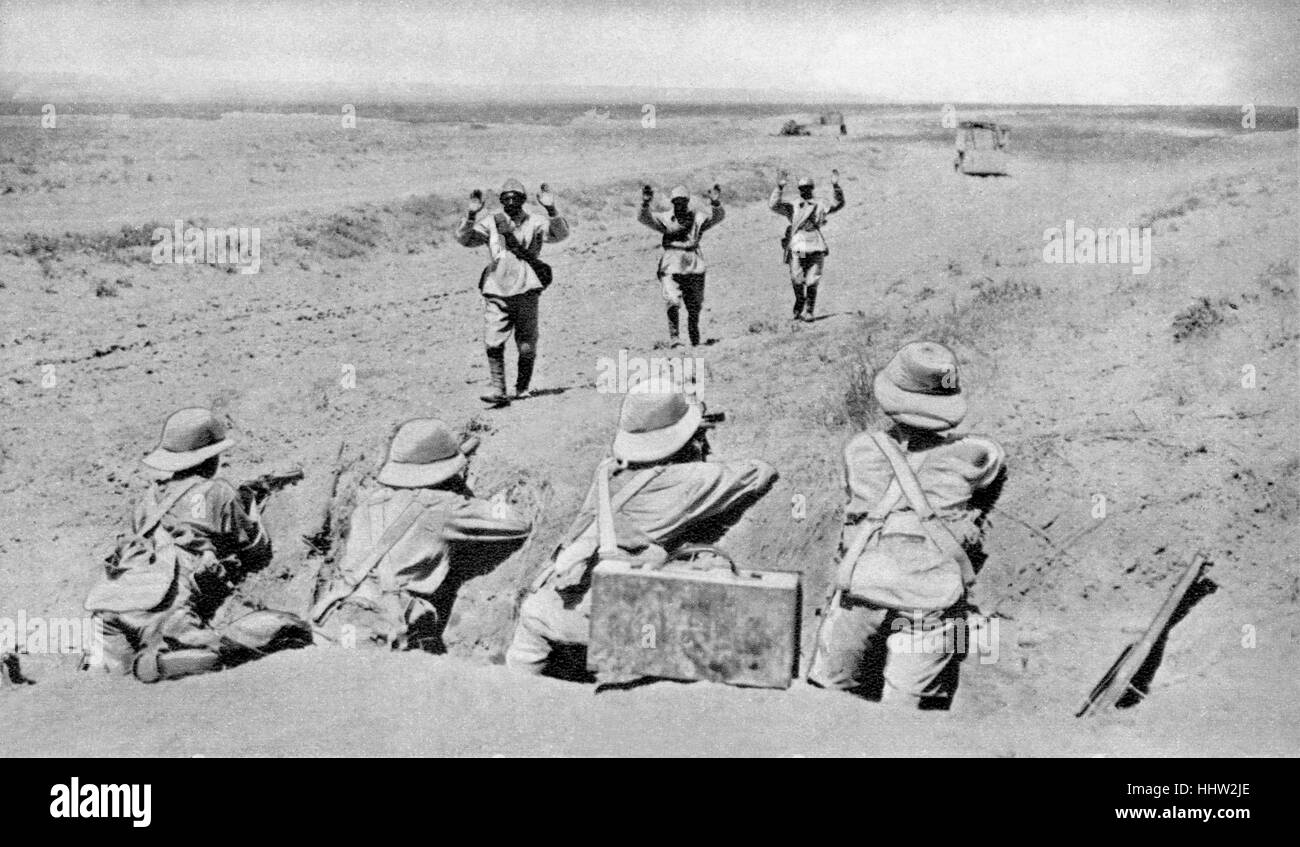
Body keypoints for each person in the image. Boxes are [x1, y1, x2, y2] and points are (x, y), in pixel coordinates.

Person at [506, 385, 777, 679]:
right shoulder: (687, 481)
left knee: (521, 682)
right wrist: (699, 449)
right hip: (613, 620)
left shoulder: (607, 472)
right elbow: (761, 473)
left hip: (546, 608)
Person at [806, 342, 1006, 709]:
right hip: (930, 595)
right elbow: (993, 458)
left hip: (862, 584)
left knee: (826, 699)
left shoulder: (860, 450)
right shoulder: (972, 455)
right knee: (906, 716)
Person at [83, 408, 308, 683]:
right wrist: (250, 500)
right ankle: (156, 662)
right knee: (275, 634)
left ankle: (116, 664)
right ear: (210, 457)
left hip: (109, 607)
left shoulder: (148, 499)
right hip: (164, 611)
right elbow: (256, 552)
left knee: (106, 681)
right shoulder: (218, 491)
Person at [311, 418, 532, 651]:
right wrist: (471, 498)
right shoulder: (445, 507)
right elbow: (517, 522)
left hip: (334, 620)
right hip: (381, 629)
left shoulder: (369, 504)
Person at [455, 178, 570, 407]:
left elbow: (560, 235)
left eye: (515, 198)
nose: (510, 202)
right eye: (505, 198)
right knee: (493, 342)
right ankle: (498, 390)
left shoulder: (535, 222)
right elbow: (465, 239)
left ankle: (522, 388)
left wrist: (551, 208)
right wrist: (470, 215)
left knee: (527, 343)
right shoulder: (491, 223)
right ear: (501, 201)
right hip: (497, 288)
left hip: (527, 288)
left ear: (523, 200)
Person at [637, 183, 725, 348]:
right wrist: (645, 204)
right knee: (671, 300)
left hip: (693, 263)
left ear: (687, 202)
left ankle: (694, 330)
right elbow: (645, 218)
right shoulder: (665, 218)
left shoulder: (697, 218)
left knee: (694, 304)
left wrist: (716, 203)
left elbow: (717, 218)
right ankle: (675, 337)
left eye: (683, 201)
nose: (679, 205)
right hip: (672, 263)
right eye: (676, 202)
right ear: (672, 202)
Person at [769, 170, 845, 322]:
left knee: (812, 280)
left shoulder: (820, 204)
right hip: (799, 247)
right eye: (802, 188)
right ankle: (800, 302)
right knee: (797, 277)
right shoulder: (793, 205)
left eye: (808, 188)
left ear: (812, 189)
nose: (805, 191)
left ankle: (809, 311)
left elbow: (838, 204)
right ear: (799, 190)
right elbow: (774, 205)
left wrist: (836, 186)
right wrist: (779, 187)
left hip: (816, 246)